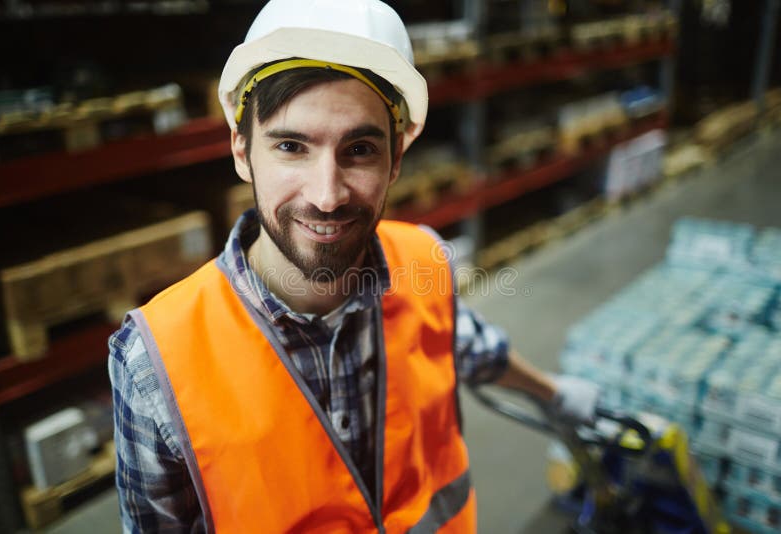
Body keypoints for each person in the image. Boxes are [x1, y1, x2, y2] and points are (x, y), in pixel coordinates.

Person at [107, 0, 599, 531]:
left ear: (397, 160)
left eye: (360, 149)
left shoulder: (424, 259)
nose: (326, 195)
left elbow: (470, 346)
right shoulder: (155, 364)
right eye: (292, 146)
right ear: (241, 150)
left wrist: (553, 394)